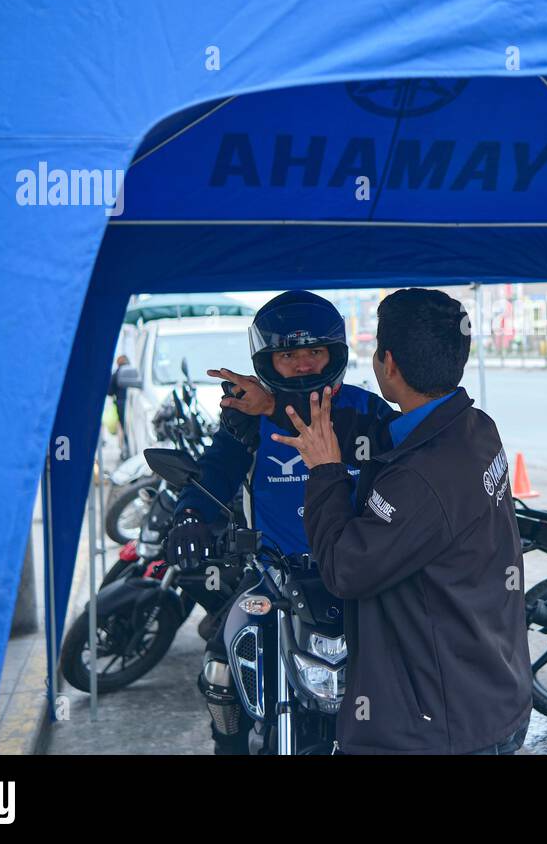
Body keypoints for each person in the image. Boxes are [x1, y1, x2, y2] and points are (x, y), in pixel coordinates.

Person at [274, 288, 532, 755]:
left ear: (387, 363)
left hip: (438, 728)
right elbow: (390, 436)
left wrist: (326, 472)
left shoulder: (421, 480)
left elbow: (344, 569)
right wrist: (272, 407)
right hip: (489, 690)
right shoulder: (473, 428)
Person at [166, 290, 394, 754]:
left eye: (314, 351)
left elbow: (348, 432)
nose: (305, 363)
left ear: (336, 353)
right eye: (289, 354)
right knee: (220, 668)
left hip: (358, 573)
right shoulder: (245, 422)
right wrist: (190, 514)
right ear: (268, 359)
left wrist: (272, 406)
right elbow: (215, 472)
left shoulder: (367, 413)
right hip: (272, 575)